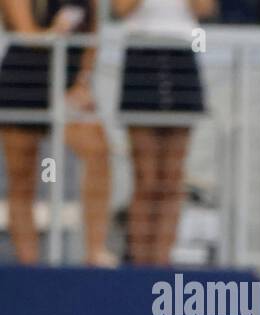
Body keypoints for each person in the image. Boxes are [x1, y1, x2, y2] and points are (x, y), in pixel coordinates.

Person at [0, 0, 113, 265]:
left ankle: (95, 251)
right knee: (23, 179)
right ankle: (29, 263)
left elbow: (92, 37)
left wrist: (82, 81)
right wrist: (55, 32)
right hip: (24, 83)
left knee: (98, 152)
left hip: (67, 83)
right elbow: (27, 34)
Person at [113, 0, 213, 265]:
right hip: (142, 53)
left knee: (171, 179)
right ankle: (140, 261)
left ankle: (162, 261)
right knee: (146, 178)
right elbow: (121, 9)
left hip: (180, 52)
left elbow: (204, 9)